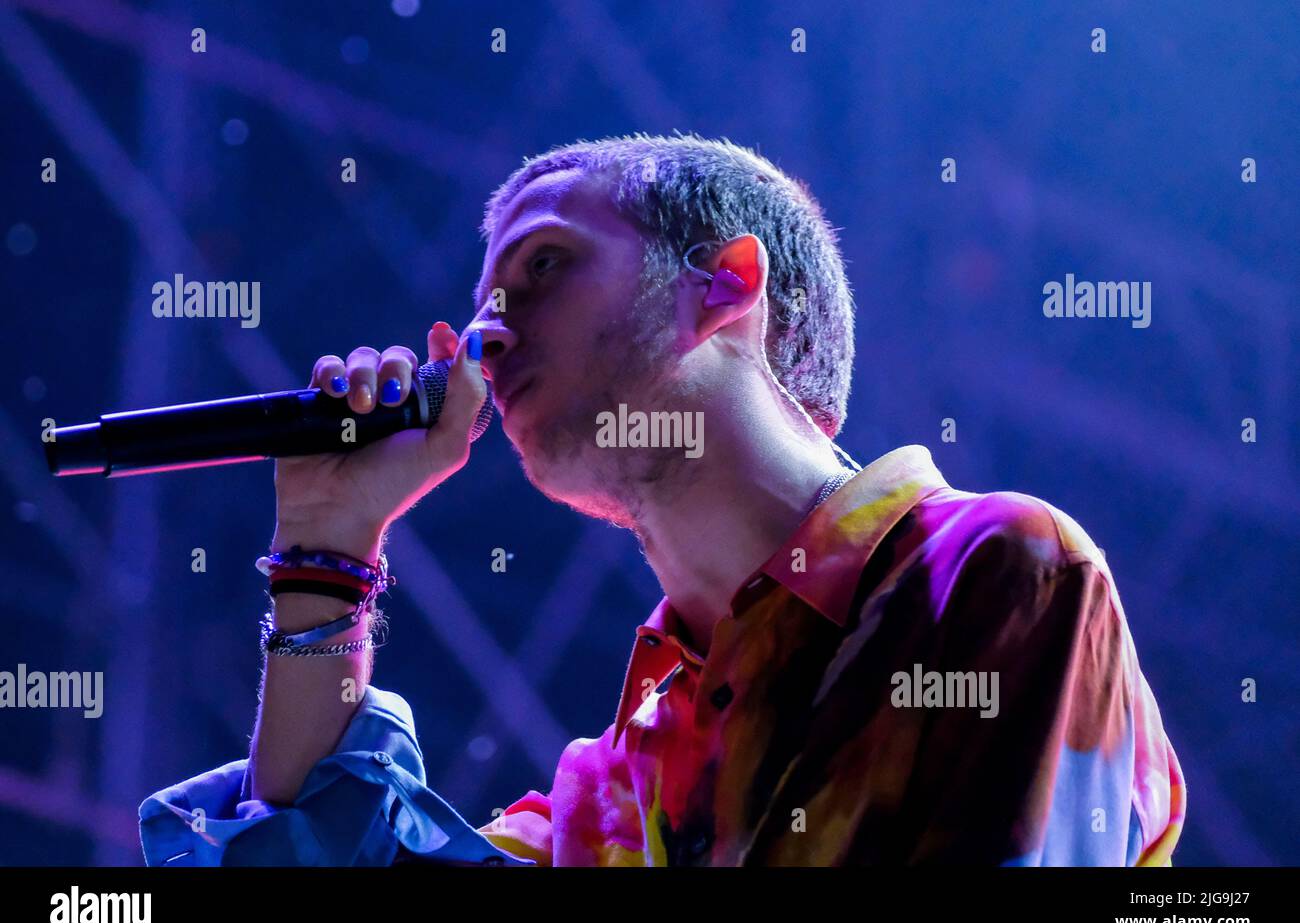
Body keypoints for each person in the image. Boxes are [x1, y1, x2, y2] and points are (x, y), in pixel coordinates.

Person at [140, 134, 1185, 866]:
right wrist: (329, 547)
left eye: (543, 264)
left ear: (726, 283)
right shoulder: (615, 791)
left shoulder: (989, 571)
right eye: (482, 307)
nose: (487, 336)